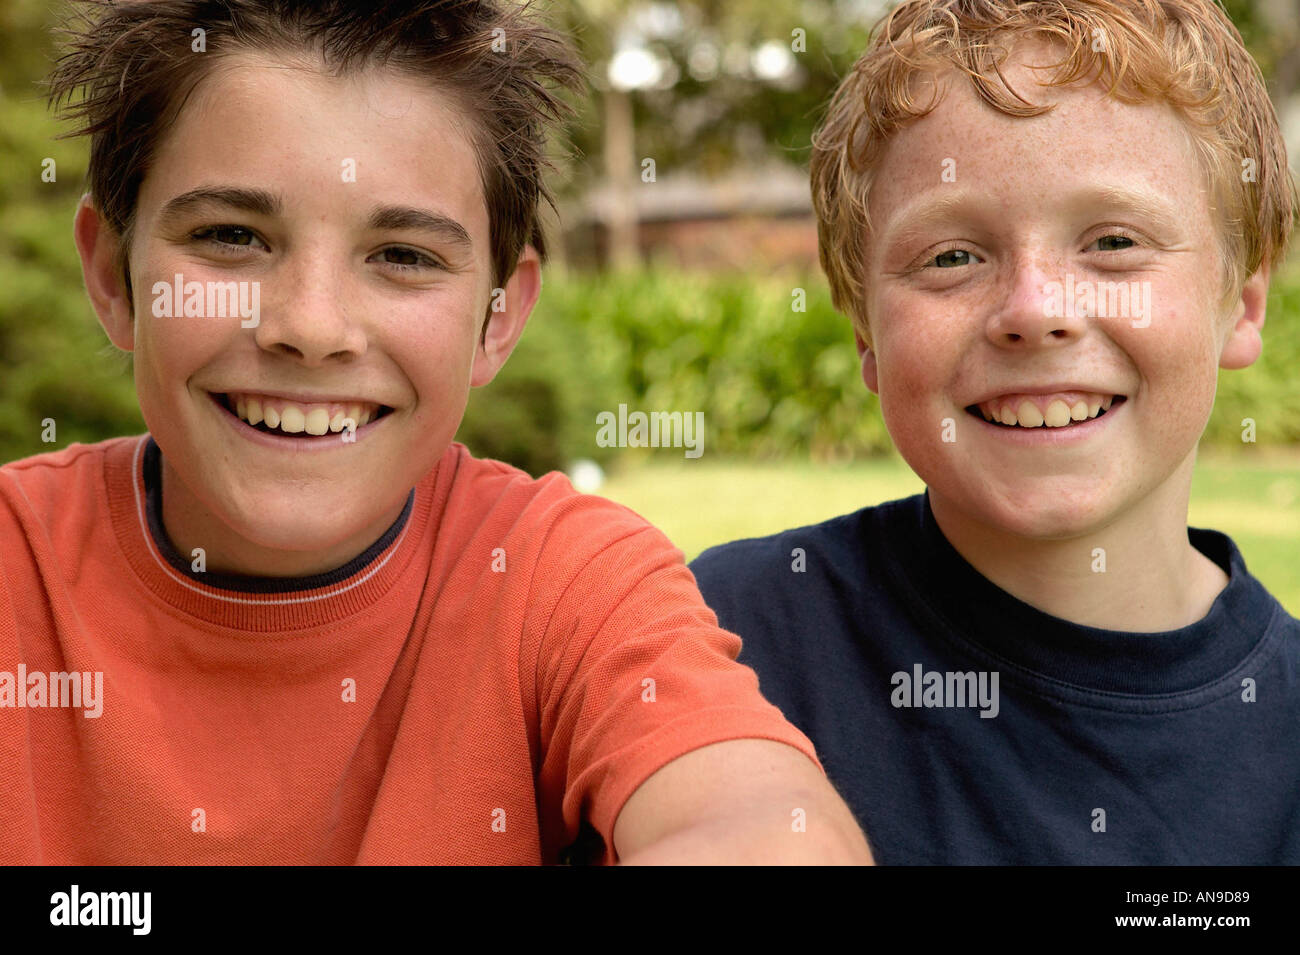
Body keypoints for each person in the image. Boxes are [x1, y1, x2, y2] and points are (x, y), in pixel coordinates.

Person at [0, 0, 871, 866]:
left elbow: (762, 826)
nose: (311, 325)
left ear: (499, 317)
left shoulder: (557, 579)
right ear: (114, 275)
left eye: (404, 256)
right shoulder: (16, 569)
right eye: (231, 236)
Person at [691, 0, 1299, 864]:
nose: (1034, 311)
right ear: (866, 331)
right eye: (952, 257)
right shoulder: (721, 644)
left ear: (1241, 303)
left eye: (1115, 241)